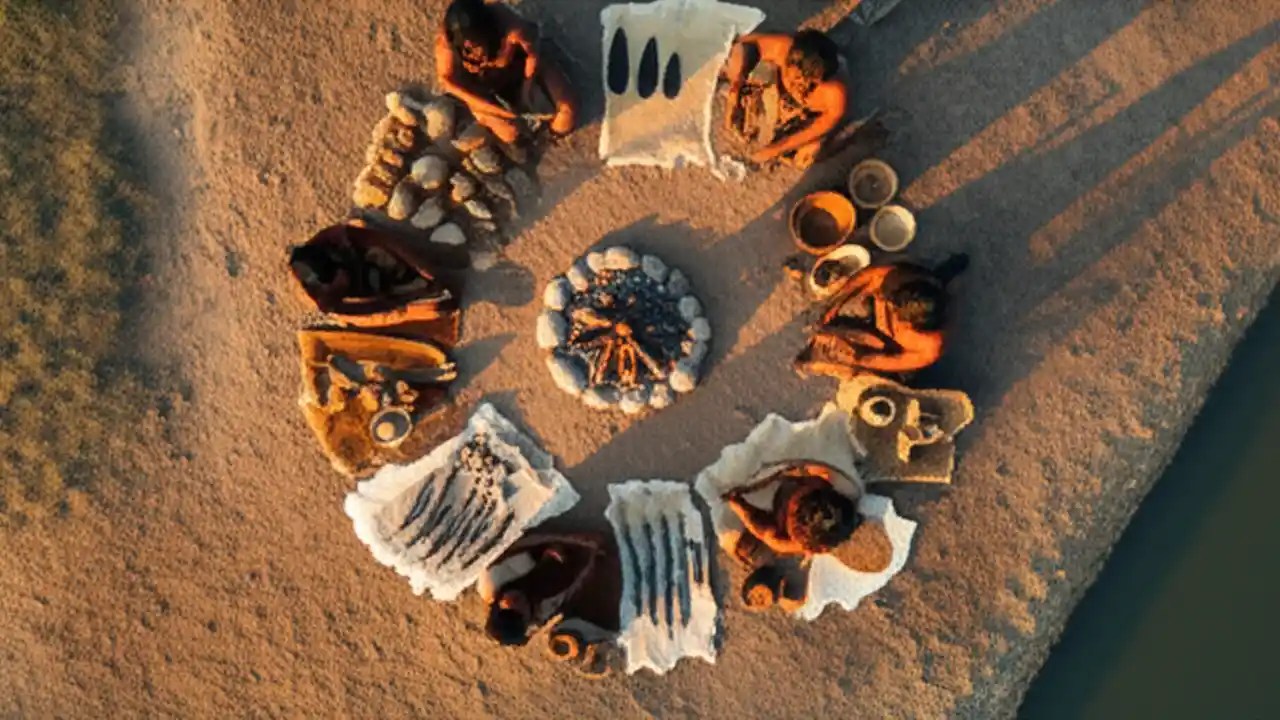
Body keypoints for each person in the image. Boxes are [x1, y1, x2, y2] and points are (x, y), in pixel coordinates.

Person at [795, 255, 967, 379]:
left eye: (900, 318)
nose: (892, 312)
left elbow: (886, 361)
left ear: (916, 326)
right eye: (894, 305)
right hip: (918, 285)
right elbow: (869, 276)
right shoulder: (900, 279)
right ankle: (942, 274)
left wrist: (858, 359)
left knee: (887, 379)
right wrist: (834, 304)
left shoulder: (930, 347)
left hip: (891, 347)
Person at [435, 0, 577, 144]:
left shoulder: (511, 29)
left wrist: (527, 91)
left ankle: (550, 137)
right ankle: (519, 142)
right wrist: (497, 110)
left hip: (518, 72)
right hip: (481, 88)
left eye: (477, 44)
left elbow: (532, 55)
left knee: (567, 114)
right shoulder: (446, 45)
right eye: (468, 50)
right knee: (510, 134)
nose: (475, 53)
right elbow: (447, 82)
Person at [722, 30, 850, 167]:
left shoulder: (835, 93)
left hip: (805, 113)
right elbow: (744, 45)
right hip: (777, 88)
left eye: (810, 84)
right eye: (796, 79)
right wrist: (734, 94)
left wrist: (777, 149)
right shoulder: (782, 48)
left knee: (810, 153)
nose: (802, 87)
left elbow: (820, 126)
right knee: (737, 62)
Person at [477, 533, 606, 647]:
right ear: (527, 619)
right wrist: (592, 556)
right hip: (555, 562)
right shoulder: (545, 609)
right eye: (517, 614)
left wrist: (570, 539)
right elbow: (575, 586)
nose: (512, 605)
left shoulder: (492, 579)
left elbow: (519, 542)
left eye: (505, 611)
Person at [723, 462, 862, 559]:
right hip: (793, 478)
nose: (794, 506)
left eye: (794, 511)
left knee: (731, 536)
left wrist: (738, 505)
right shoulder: (824, 481)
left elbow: (764, 531)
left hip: (773, 502)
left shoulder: (785, 540)